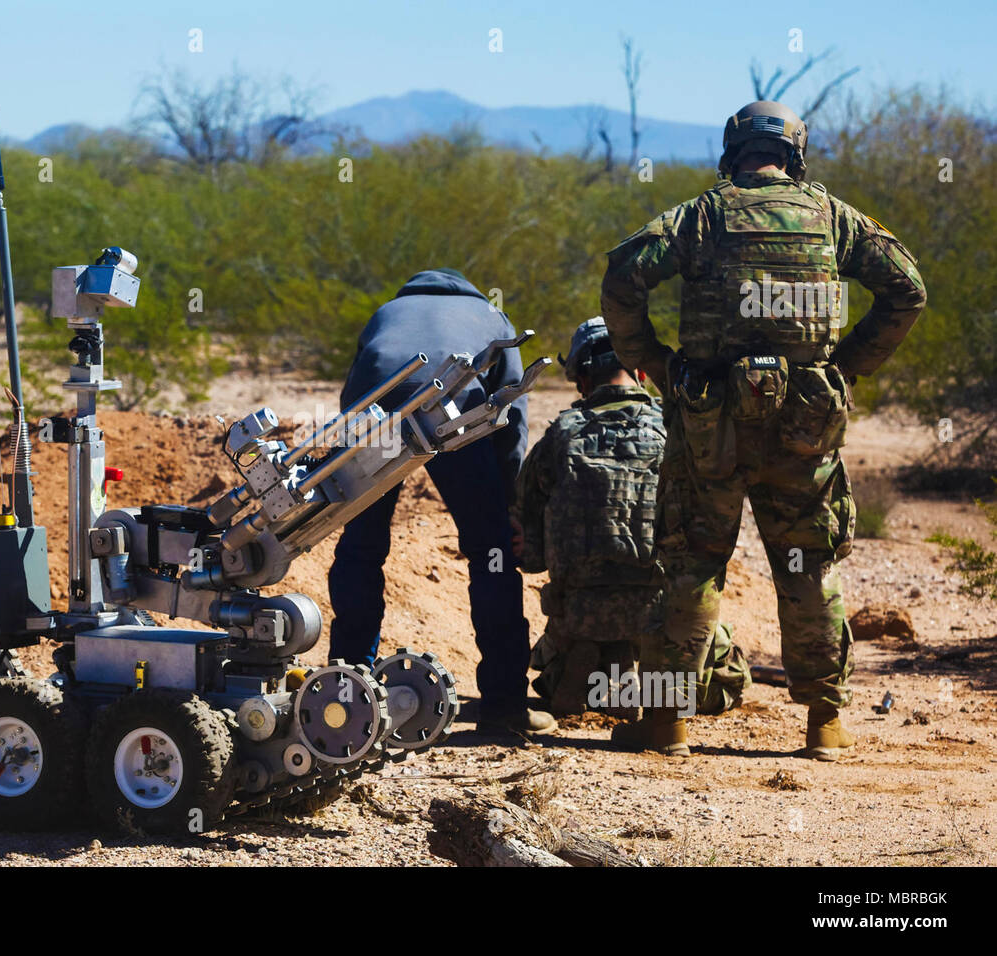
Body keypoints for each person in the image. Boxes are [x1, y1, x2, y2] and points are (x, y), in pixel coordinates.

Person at [600, 101, 927, 759]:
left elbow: (622, 279)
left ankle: (667, 724)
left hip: (707, 420)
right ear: (795, 153)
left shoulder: (702, 215)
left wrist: (652, 361)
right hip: (804, 424)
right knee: (807, 565)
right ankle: (824, 725)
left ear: (734, 152)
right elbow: (907, 290)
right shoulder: (833, 217)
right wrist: (846, 368)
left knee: (693, 563)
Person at [327, 268, 555, 737]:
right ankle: (504, 704)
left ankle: (347, 692)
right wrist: (506, 502)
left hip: (376, 419)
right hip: (456, 413)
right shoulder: (491, 314)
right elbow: (510, 416)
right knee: (490, 554)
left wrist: (345, 481)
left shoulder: (385, 312)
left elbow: (352, 397)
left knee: (361, 547)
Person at [513, 317, 751, 720]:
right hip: (661, 613)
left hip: (581, 611)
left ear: (582, 380)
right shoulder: (674, 430)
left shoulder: (559, 436)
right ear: (641, 373)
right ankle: (640, 676)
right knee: (729, 680)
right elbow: (711, 527)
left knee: (548, 671)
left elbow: (528, 553)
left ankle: (596, 663)